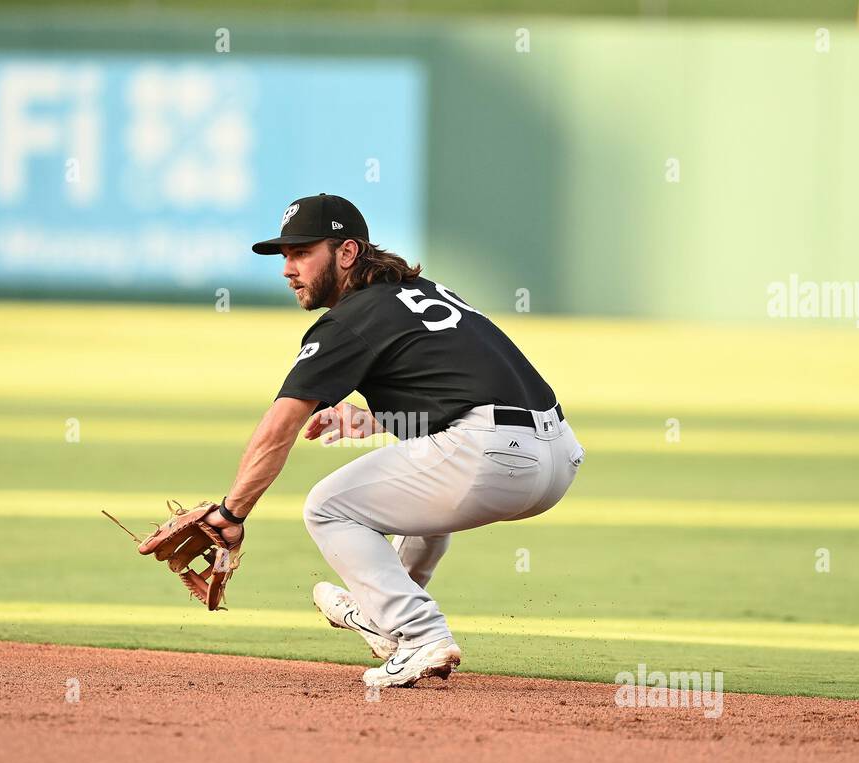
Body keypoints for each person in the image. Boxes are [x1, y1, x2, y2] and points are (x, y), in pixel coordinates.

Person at [198, 193, 584, 688]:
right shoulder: (422, 291)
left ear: (347, 252)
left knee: (327, 507)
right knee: (419, 484)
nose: (288, 269)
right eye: (284, 256)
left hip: (491, 459)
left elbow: (279, 426)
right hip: (555, 456)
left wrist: (232, 513)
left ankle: (420, 633)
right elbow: (463, 382)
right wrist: (374, 420)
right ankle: (389, 622)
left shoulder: (347, 320)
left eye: (301, 253)